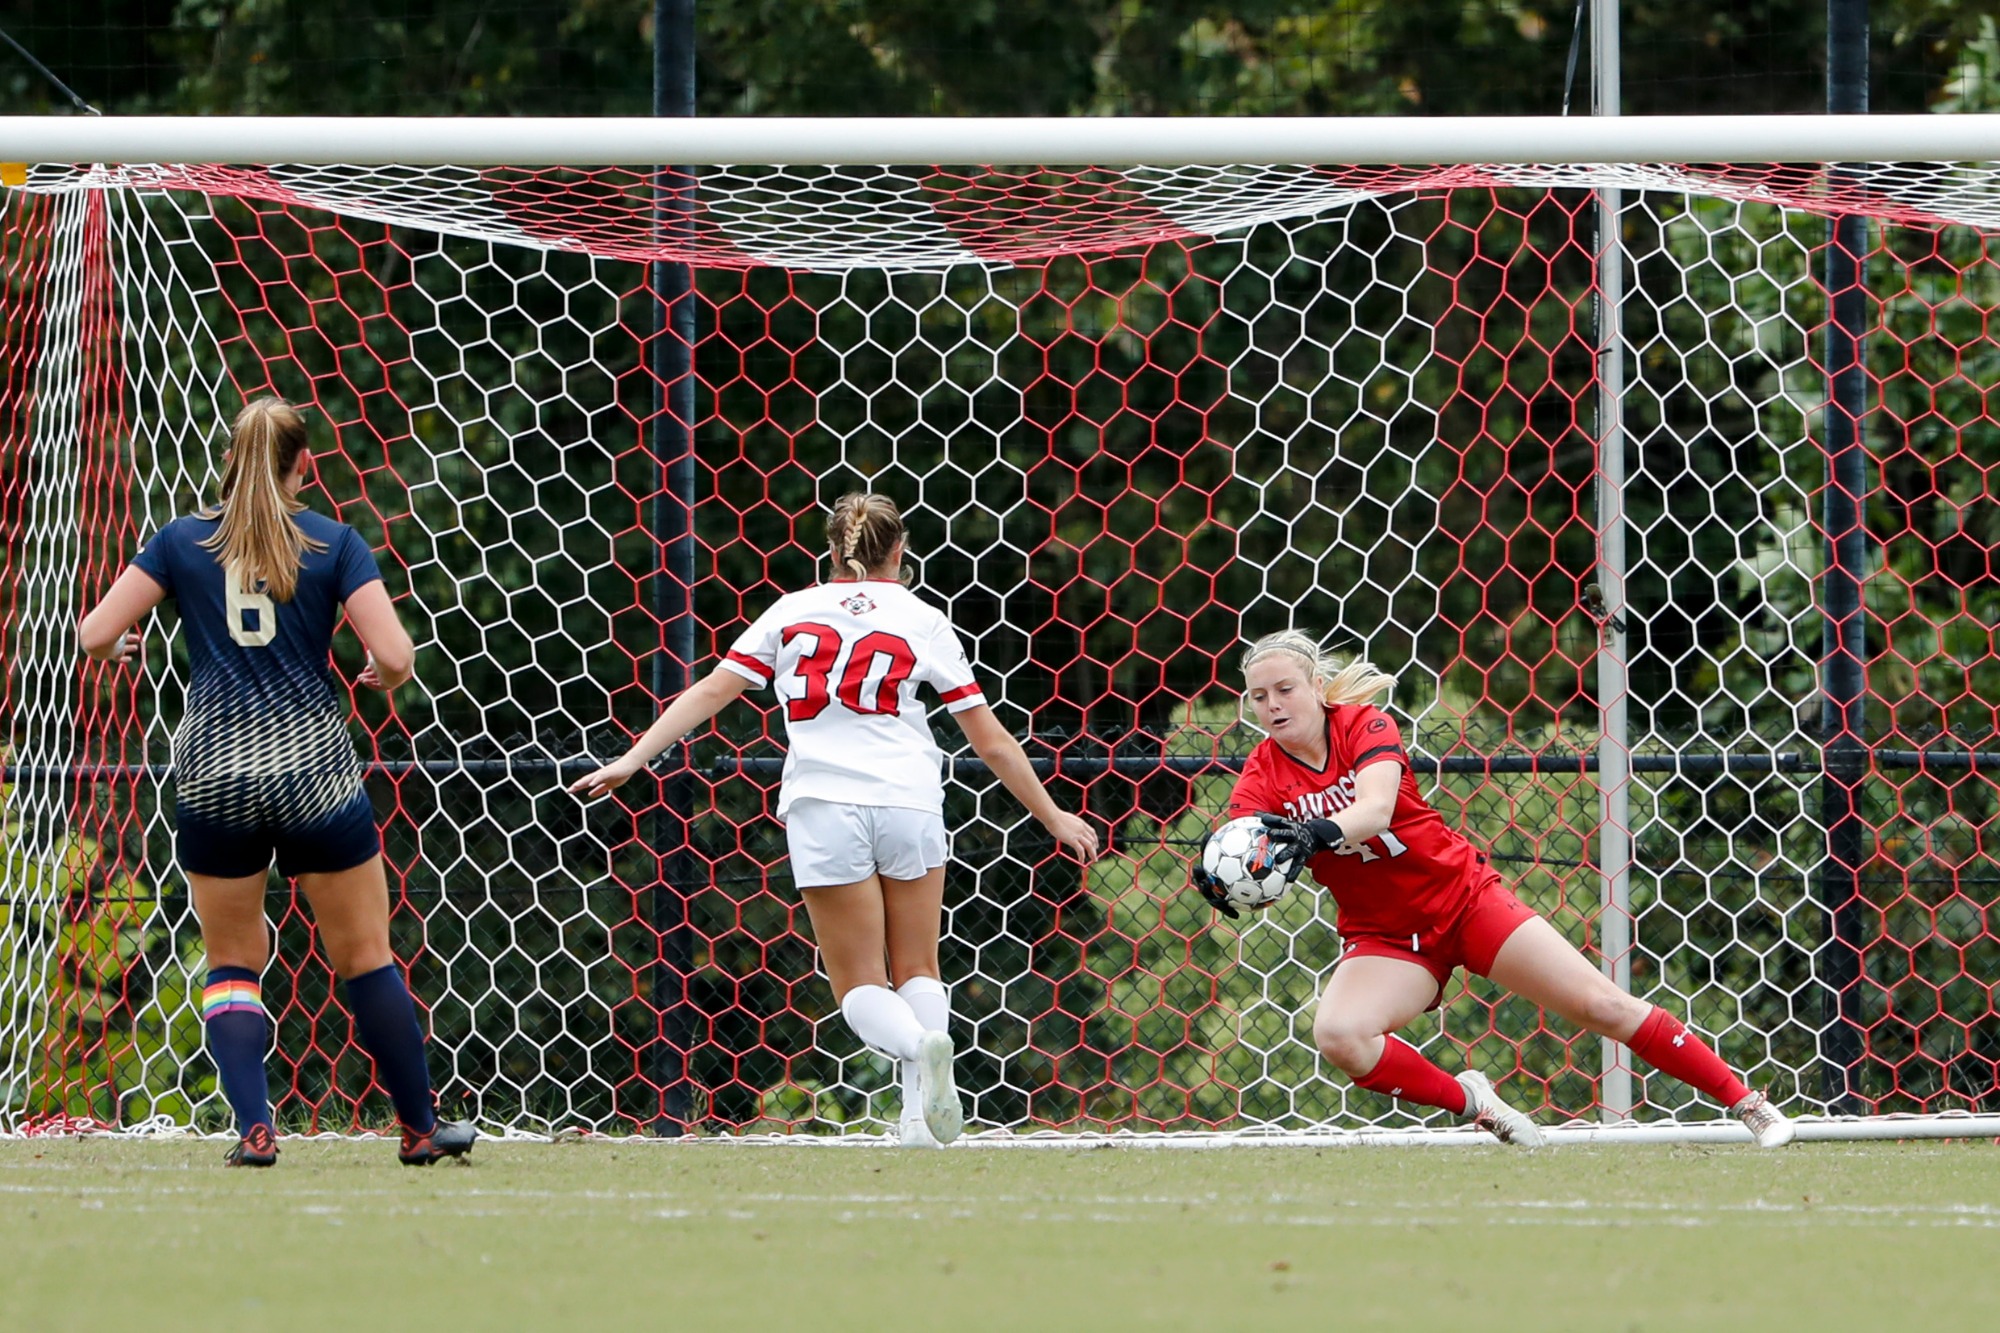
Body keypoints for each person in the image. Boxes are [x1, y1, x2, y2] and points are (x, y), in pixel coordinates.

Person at [571, 492, 1099, 1146]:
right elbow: (990, 740)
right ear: (900, 551)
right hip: (909, 799)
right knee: (919, 967)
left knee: (857, 985)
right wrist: (1052, 817)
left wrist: (632, 759)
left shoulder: (791, 612)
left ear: (830, 551)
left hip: (824, 805)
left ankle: (917, 1049)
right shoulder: (922, 617)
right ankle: (921, 1113)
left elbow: (712, 690)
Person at [1195, 629, 1795, 1148]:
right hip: (1387, 936)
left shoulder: (1361, 724)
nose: (1272, 704)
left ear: (1316, 688)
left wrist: (1312, 831)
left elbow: (1375, 809)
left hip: (1463, 900)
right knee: (1340, 1036)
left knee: (1603, 1006)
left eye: (1285, 689)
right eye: (1258, 696)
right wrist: (1226, 875)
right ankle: (1473, 1102)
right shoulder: (1261, 773)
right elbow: (1251, 846)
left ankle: (1747, 1103)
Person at [77, 396, 476, 1168]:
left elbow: (94, 632)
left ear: (230, 460)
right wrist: (378, 671)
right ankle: (421, 1128)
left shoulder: (181, 541)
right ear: (303, 465)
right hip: (313, 774)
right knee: (365, 953)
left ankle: (256, 1131)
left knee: (231, 959)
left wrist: (121, 645)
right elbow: (396, 655)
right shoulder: (334, 541)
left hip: (214, 772)